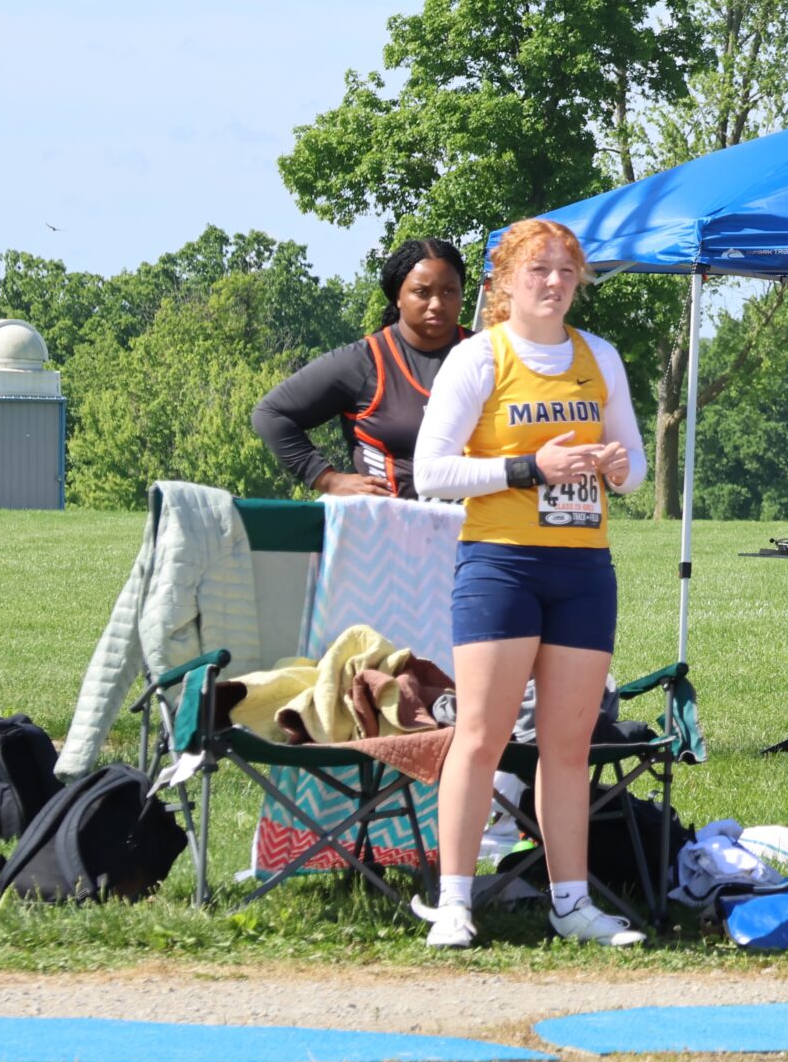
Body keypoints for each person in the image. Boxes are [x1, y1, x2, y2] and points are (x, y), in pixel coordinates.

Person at [409, 218, 648, 949]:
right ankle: (454, 901)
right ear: (504, 283)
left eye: (566, 272)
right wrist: (526, 469)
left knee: (568, 744)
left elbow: (635, 471)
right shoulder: (480, 357)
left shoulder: (599, 355)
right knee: (480, 736)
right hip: (502, 563)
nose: (552, 283)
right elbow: (431, 474)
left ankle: (570, 902)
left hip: (582, 567)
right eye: (537, 270)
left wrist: (610, 465)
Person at [253, 240, 468, 496]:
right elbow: (270, 414)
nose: (437, 304)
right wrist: (328, 480)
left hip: (484, 530)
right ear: (398, 296)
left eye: (448, 292)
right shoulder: (365, 361)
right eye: (422, 292)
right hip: (389, 527)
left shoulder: (492, 356)